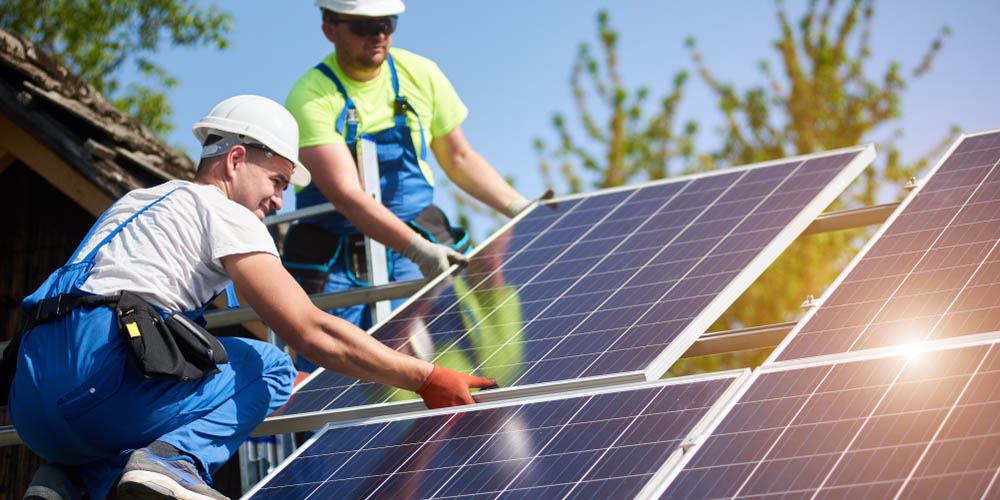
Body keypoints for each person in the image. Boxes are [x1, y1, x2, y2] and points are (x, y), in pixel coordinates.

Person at [7, 95, 495, 500]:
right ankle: (172, 464)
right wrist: (425, 376)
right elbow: (309, 329)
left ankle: (64, 482)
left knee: (148, 395)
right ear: (236, 159)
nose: (279, 201)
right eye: (277, 181)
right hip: (101, 380)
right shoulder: (224, 213)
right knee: (269, 365)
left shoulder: (136, 204)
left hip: (29, 403)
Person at [282, 0, 532, 369]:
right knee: (335, 376)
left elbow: (459, 158)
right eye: (364, 26)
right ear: (330, 29)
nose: (379, 34)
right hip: (338, 262)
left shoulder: (420, 74)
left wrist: (520, 208)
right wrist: (418, 250)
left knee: (444, 359)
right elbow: (348, 195)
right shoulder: (311, 96)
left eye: (387, 23)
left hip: (413, 249)